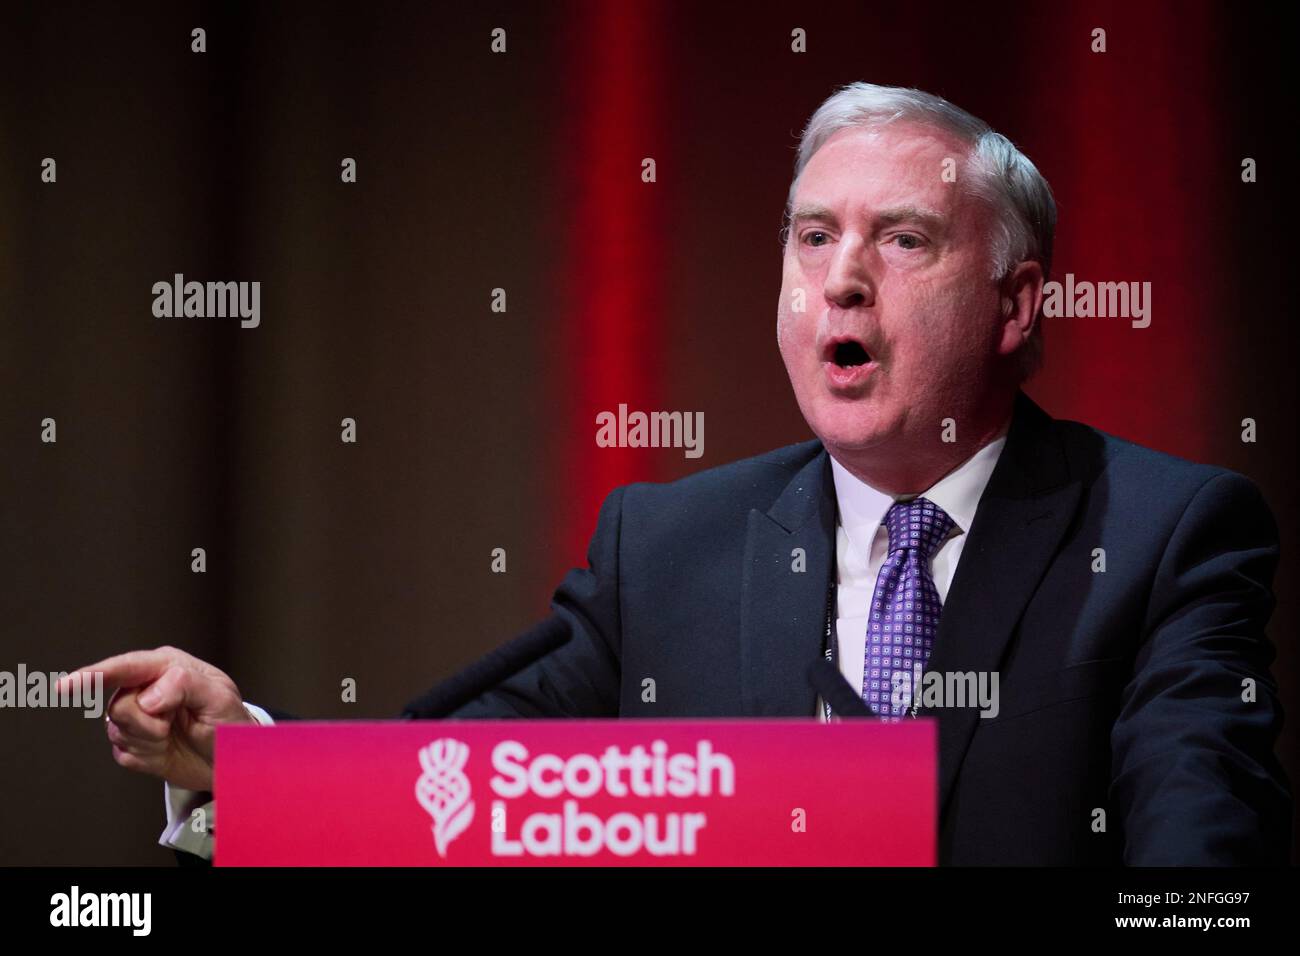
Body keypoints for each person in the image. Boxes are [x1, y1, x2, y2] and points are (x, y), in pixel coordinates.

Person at [67, 82, 1291, 865]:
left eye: (903, 240)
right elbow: (470, 787)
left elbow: (1202, 855)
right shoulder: (667, 545)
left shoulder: (1161, 532)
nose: (841, 280)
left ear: (1018, 302)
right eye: (813, 238)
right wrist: (251, 755)